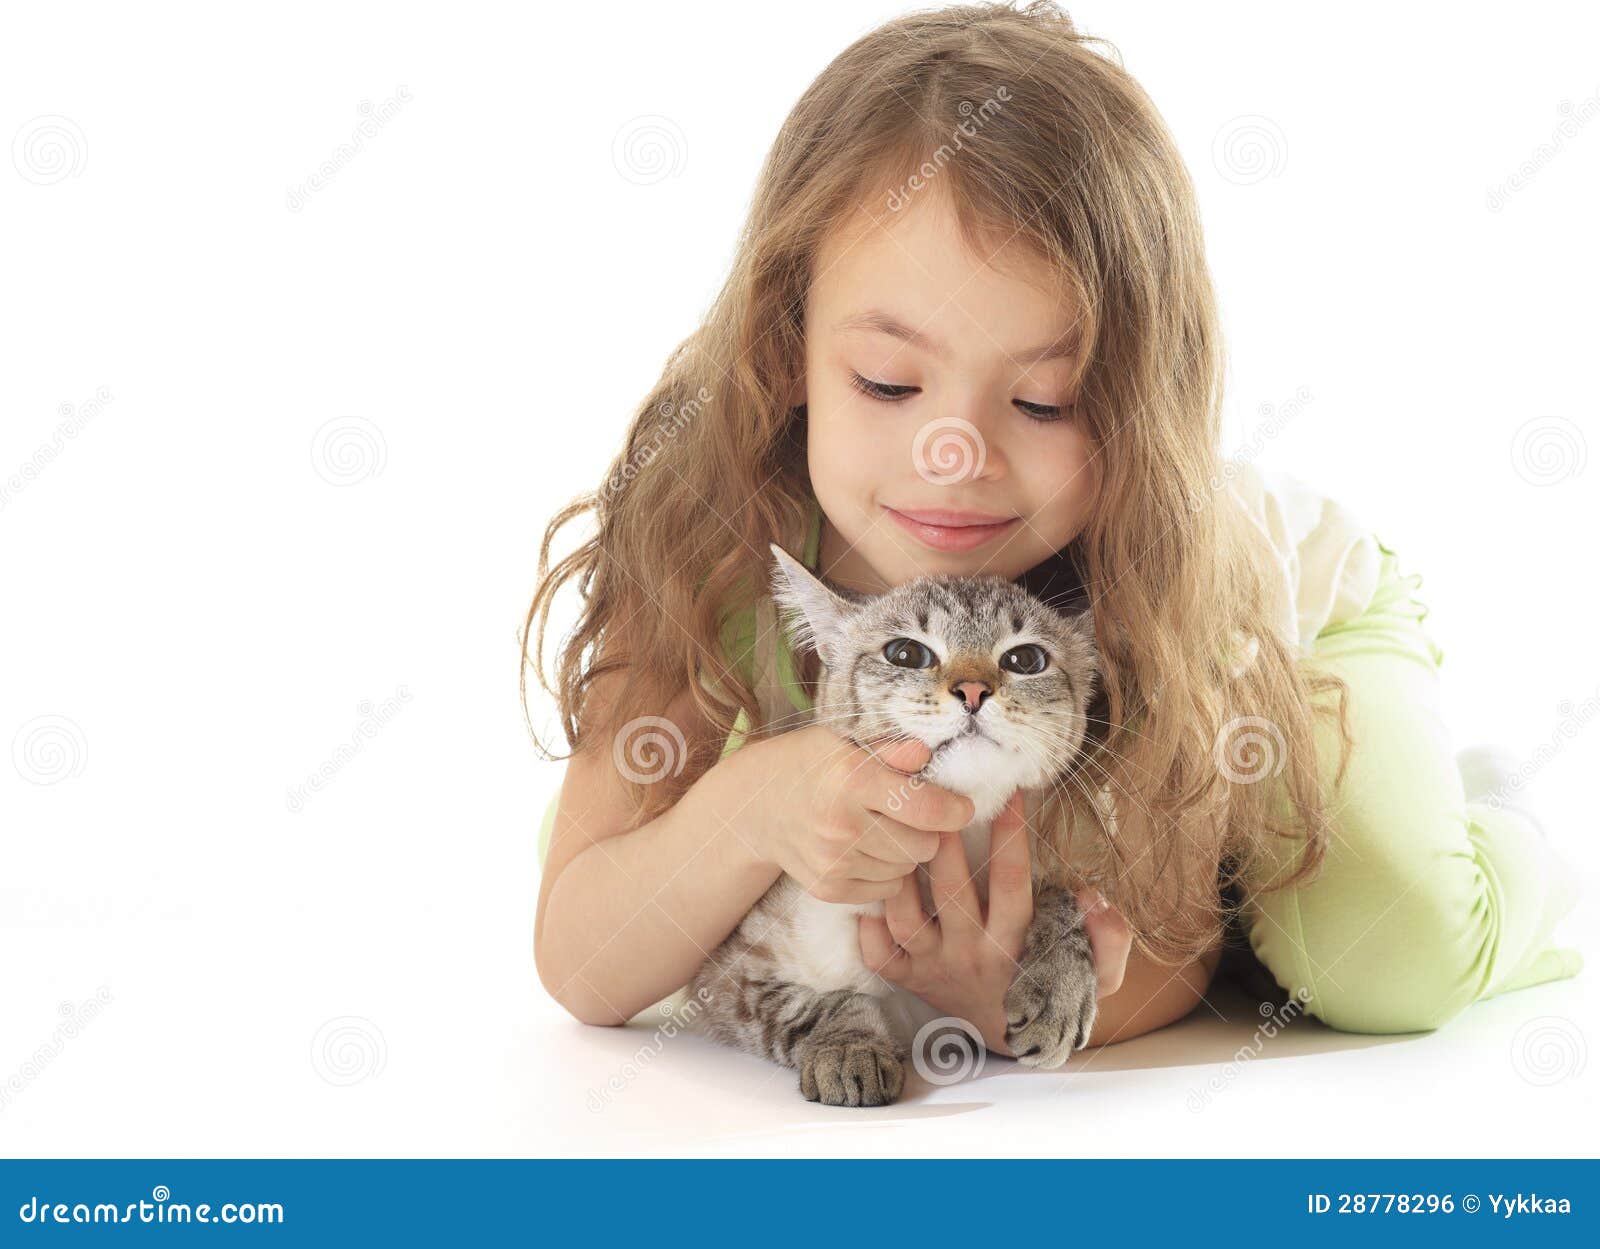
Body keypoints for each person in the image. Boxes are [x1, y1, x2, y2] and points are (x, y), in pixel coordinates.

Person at [524, 0, 1581, 1052]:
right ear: (785, 346)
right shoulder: (705, 529)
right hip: (1002, 749)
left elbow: (1168, 955)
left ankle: (1493, 817)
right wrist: (740, 814)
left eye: (1043, 402)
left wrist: (1004, 998)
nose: (954, 453)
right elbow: (583, 961)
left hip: (1282, 634)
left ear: (1128, 407)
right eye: (889, 382)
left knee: (1386, 948)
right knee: (664, 876)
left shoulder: (1161, 567)